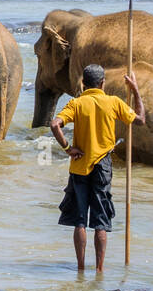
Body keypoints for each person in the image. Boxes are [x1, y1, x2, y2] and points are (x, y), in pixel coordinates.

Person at [50, 63, 145, 273]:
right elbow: (140, 120)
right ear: (102, 83)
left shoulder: (76, 103)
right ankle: (100, 270)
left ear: (83, 83)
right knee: (101, 221)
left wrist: (68, 148)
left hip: (79, 165)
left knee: (80, 221)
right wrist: (135, 91)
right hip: (103, 165)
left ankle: (81, 268)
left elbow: (55, 124)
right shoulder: (112, 102)